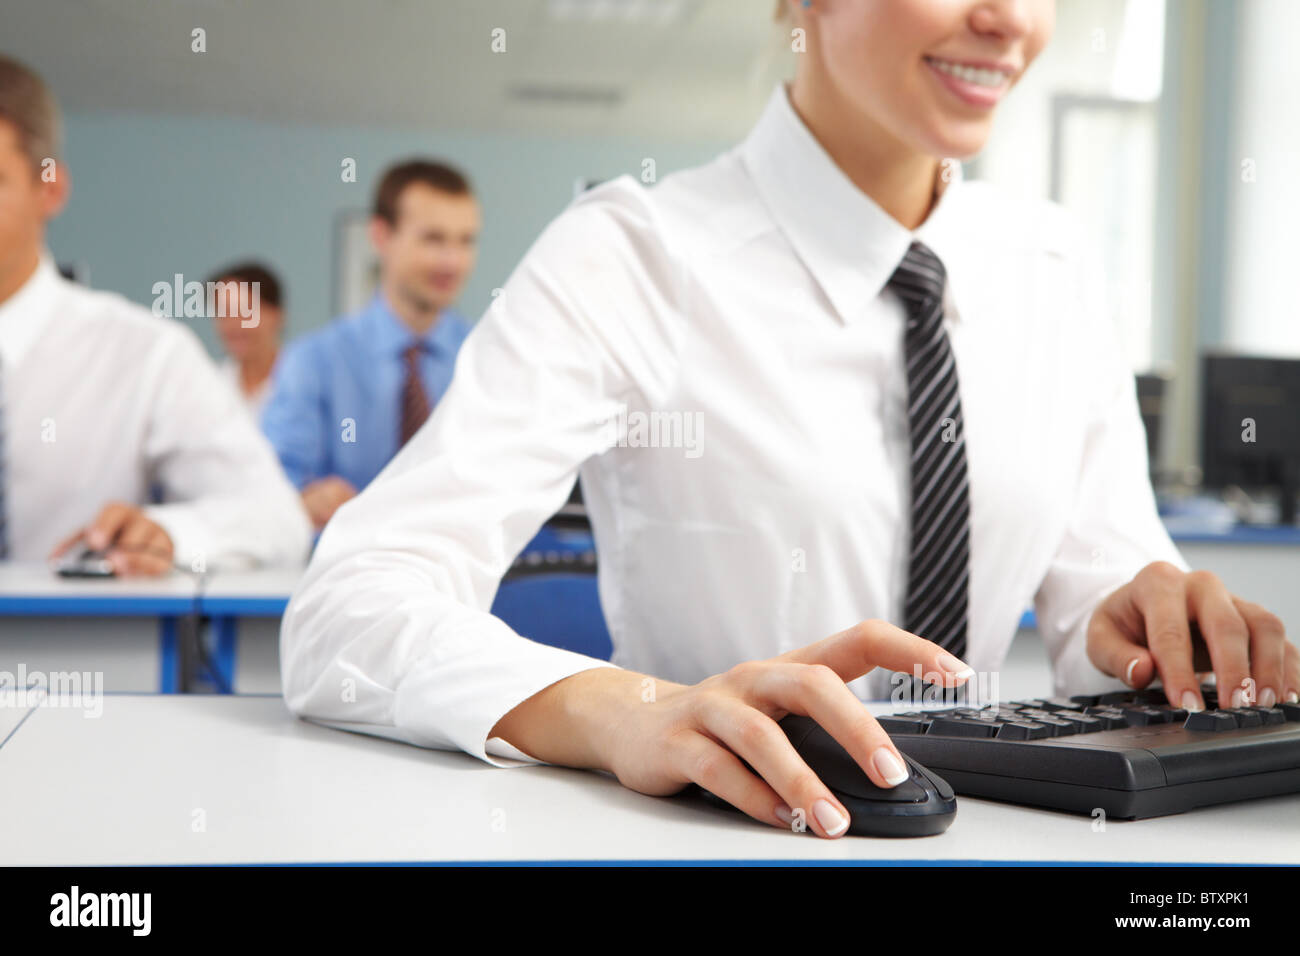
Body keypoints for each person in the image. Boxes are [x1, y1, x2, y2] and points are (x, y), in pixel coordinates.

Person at [280, 0, 1298, 840]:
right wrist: (622, 709)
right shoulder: (634, 256)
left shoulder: (1054, 268)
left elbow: (1097, 612)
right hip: (718, 838)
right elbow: (346, 613)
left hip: (990, 837)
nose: (1008, 21)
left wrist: (1152, 631)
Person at [0, 55, 311, 575]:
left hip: (67, 656)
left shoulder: (144, 354)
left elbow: (278, 520)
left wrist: (170, 534)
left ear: (48, 189)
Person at [261, 160, 479, 530]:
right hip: (344, 574)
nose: (453, 261)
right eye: (433, 239)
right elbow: (267, 492)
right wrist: (304, 500)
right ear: (381, 236)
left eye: (466, 241)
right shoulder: (313, 363)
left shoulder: (487, 360)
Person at [209, 261, 285, 419]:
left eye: (245, 311)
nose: (233, 325)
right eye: (224, 313)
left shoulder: (303, 383)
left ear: (276, 315)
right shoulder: (209, 385)